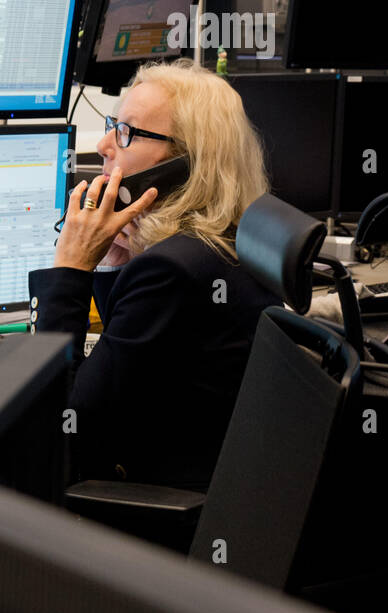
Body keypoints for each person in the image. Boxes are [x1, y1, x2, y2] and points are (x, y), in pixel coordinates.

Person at [28, 58, 274, 490]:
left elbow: (63, 427)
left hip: (151, 519)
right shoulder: (224, 242)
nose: (105, 144)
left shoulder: (172, 273)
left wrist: (71, 266)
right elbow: (125, 361)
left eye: (126, 133)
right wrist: (113, 259)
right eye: (111, 125)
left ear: (183, 164)